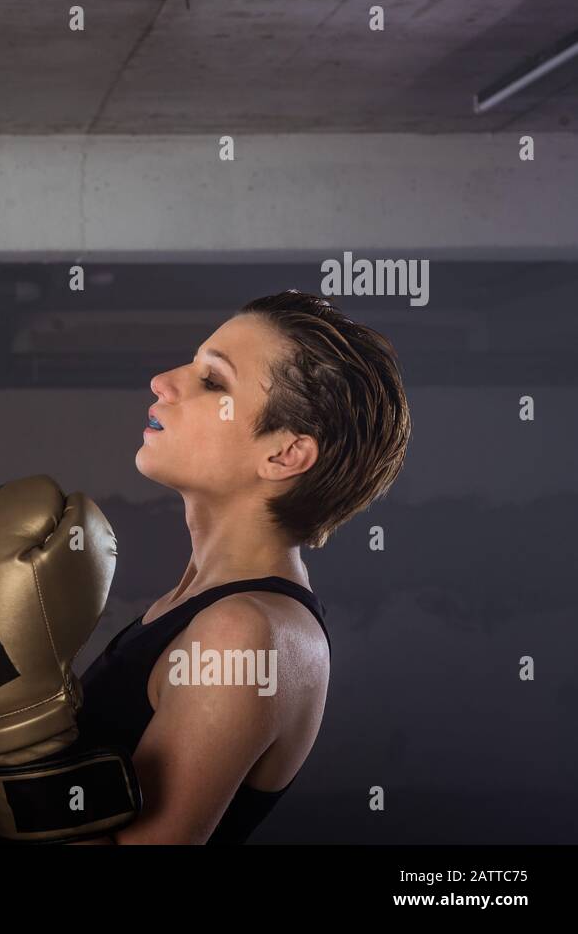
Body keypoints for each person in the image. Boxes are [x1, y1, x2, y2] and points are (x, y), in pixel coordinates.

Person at [70, 289, 412, 843]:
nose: (162, 381)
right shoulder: (196, 608)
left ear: (283, 455)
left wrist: (4, 716)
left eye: (212, 382)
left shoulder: (242, 633)